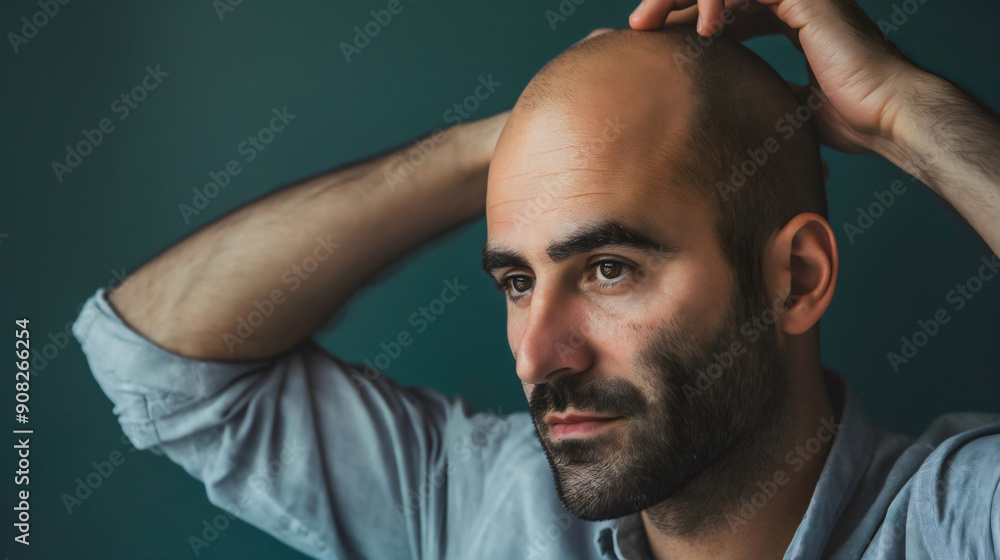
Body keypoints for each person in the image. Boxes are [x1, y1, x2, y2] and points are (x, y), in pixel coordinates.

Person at [72, 0, 1000, 558]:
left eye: (607, 268)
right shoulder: (484, 509)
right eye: (516, 281)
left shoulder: (962, 523)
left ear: (796, 278)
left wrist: (905, 116)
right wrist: (532, 140)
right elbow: (159, 362)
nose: (538, 354)